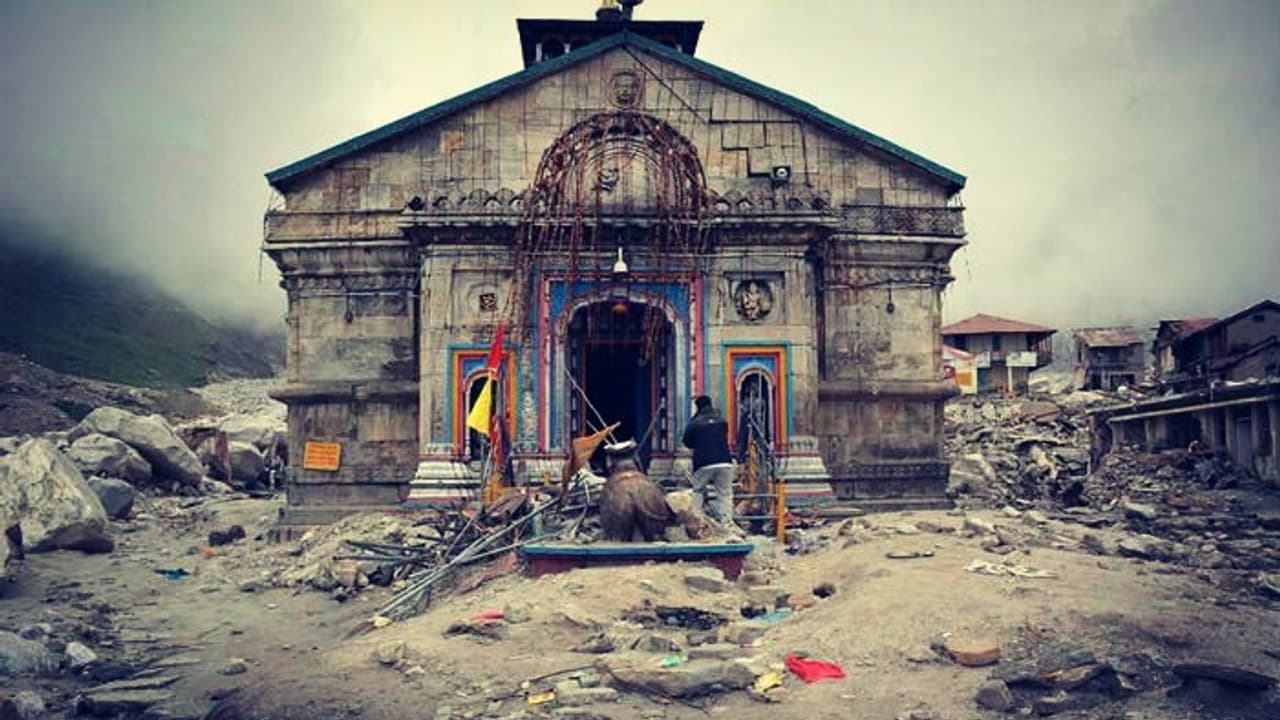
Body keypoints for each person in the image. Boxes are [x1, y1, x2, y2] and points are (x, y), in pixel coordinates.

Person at [681, 395, 736, 528]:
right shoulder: (721, 420)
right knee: (725, 493)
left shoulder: (695, 423)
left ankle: (697, 522)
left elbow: (686, 442)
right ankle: (726, 523)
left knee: (698, 490)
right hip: (725, 461)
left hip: (704, 463)